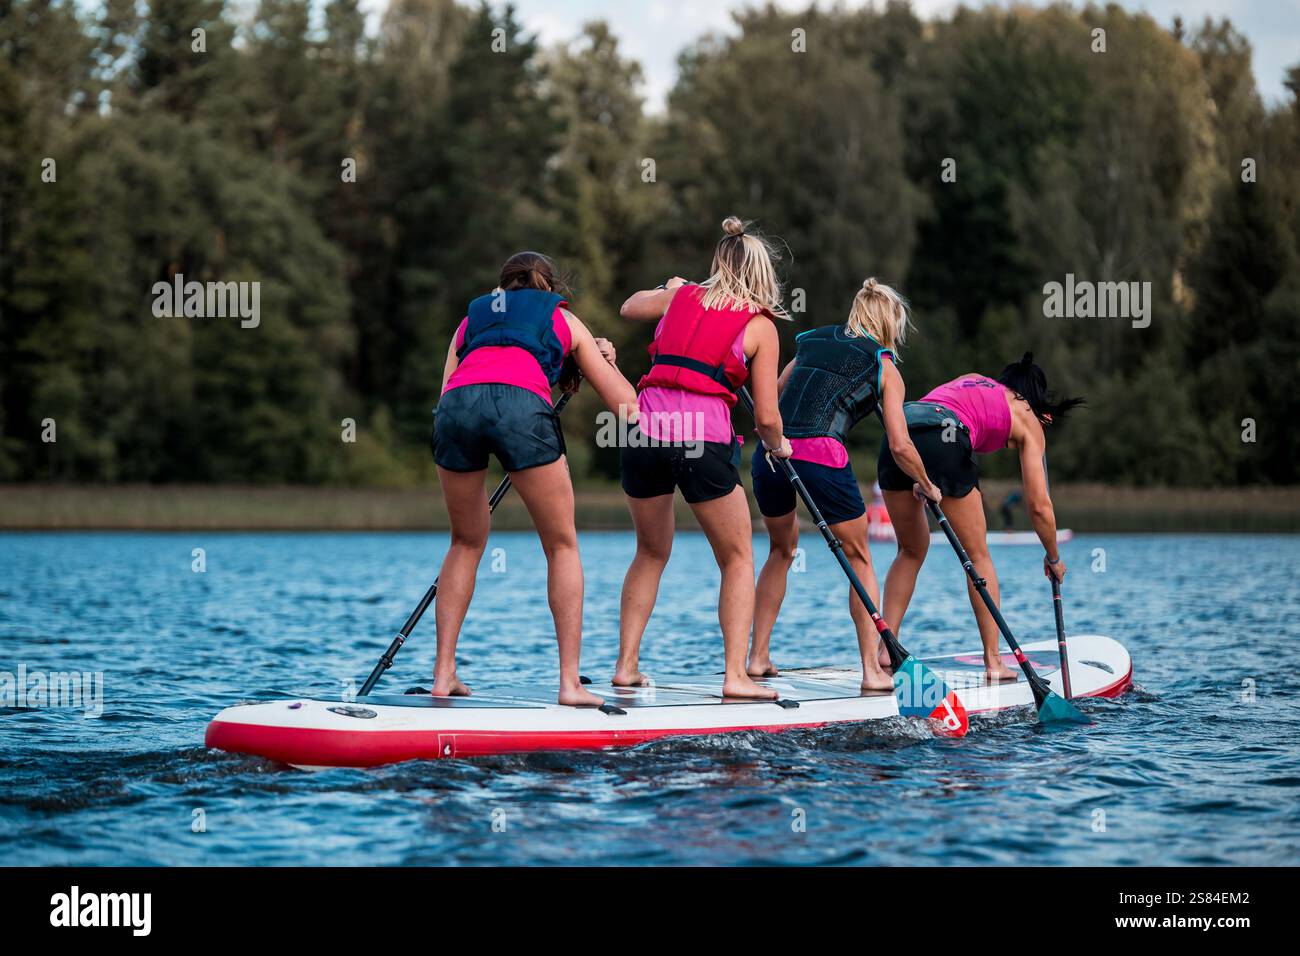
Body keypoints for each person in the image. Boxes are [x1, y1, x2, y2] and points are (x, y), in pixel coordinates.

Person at [431, 251, 639, 706]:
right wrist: (601, 359)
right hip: (521, 408)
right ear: (551, 286)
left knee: (465, 542)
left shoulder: (471, 317)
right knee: (561, 545)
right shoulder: (563, 318)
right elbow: (628, 408)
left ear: (503, 286)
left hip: (455, 411)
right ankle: (570, 685)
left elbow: (449, 383)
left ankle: (443, 674)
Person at [614, 216, 790, 699]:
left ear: (717, 263)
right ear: (761, 275)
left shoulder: (681, 297)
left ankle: (626, 666)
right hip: (700, 439)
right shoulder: (760, 325)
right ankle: (736, 677)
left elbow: (629, 307)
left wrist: (671, 288)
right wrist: (778, 447)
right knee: (736, 558)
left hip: (643, 433)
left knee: (649, 552)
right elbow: (768, 417)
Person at [748, 279, 942, 691]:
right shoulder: (885, 366)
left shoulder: (811, 341)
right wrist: (926, 483)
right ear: (891, 323)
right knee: (859, 559)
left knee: (781, 550)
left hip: (769, 454)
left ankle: (757, 657)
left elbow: (776, 394)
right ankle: (872, 671)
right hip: (820, 455)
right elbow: (901, 444)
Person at [876, 353, 1084, 682]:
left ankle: (886, 649)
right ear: (1032, 399)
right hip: (944, 436)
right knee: (977, 557)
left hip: (899, 433)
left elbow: (933, 420)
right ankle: (993, 662)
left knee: (911, 550)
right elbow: (1039, 505)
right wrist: (1054, 557)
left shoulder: (973, 379)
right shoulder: (1027, 416)